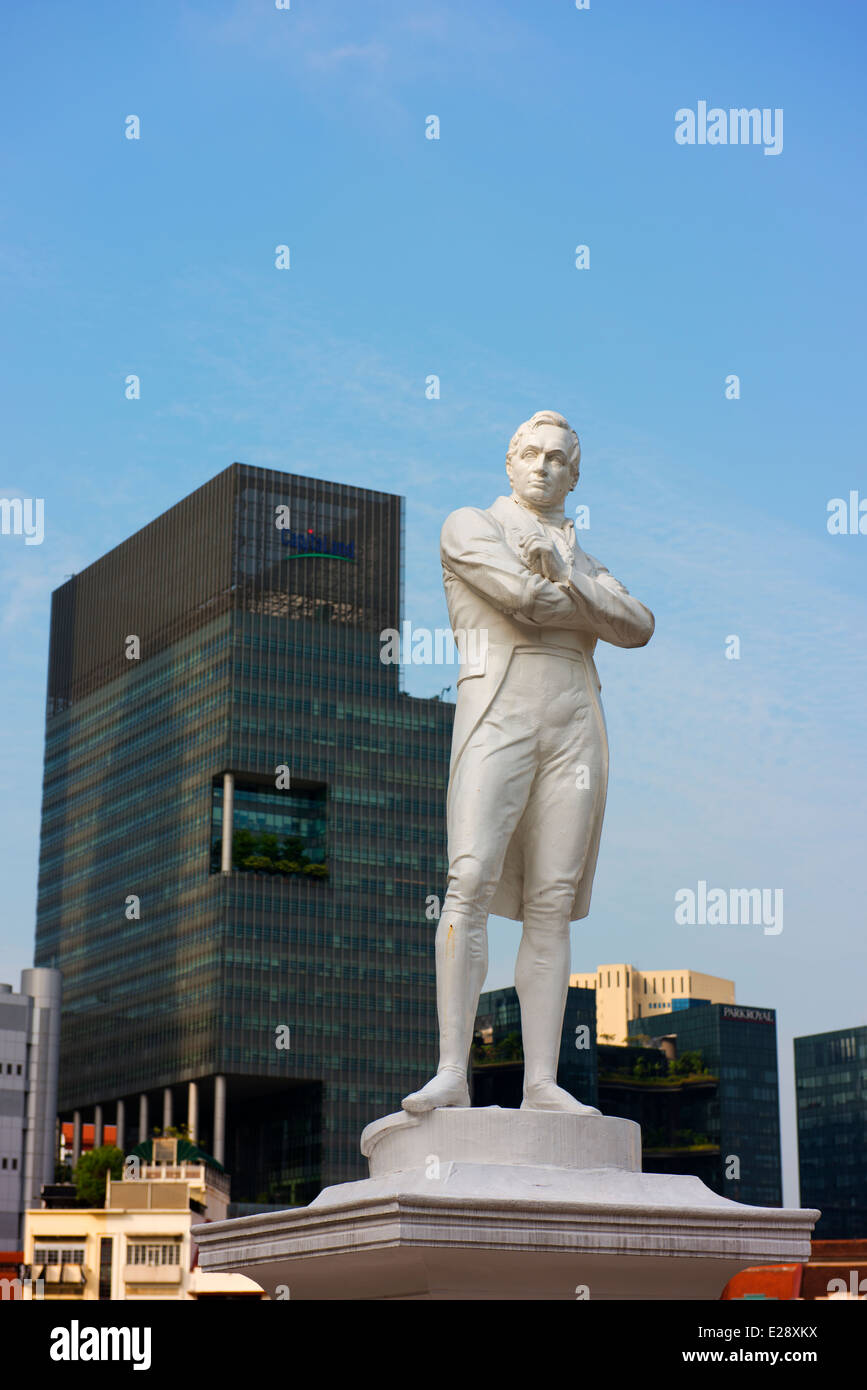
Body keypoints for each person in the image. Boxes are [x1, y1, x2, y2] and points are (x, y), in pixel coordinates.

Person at [402, 411, 654, 1116]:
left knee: (551, 901)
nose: (543, 467)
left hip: (575, 721)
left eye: (558, 460)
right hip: (499, 710)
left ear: (574, 475)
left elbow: (637, 626)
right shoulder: (468, 525)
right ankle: (453, 1070)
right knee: (470, 879)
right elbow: (528, 602)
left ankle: (540, 1082)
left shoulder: (582, 556)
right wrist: (581, 601)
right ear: (508, 464)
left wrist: (570, 575)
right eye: (531, 455)